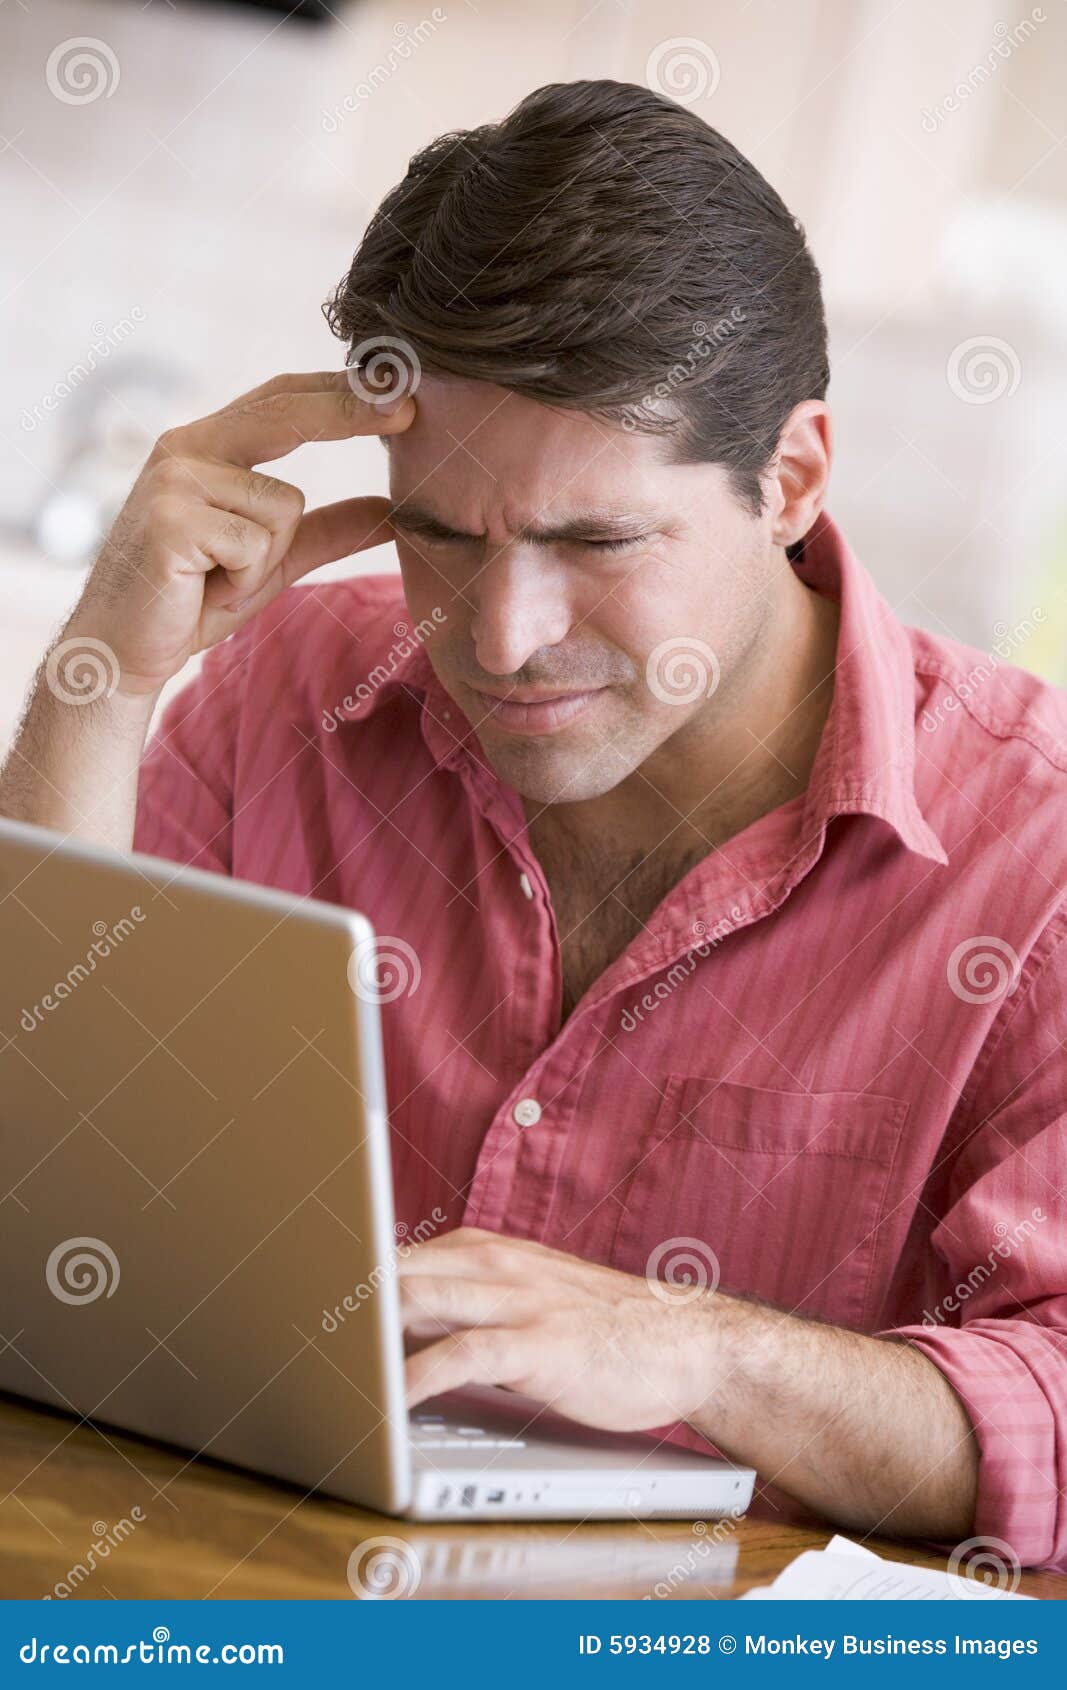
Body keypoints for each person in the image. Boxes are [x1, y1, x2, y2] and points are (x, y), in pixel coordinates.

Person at [4, 79, 1066, 1569]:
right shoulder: (291, 695)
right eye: (441, 535)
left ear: (791, 480)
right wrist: (102, 678)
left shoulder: (1036, 855)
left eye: (596, 540)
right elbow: (41, 1189)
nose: (503, 637)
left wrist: (700, 1349)